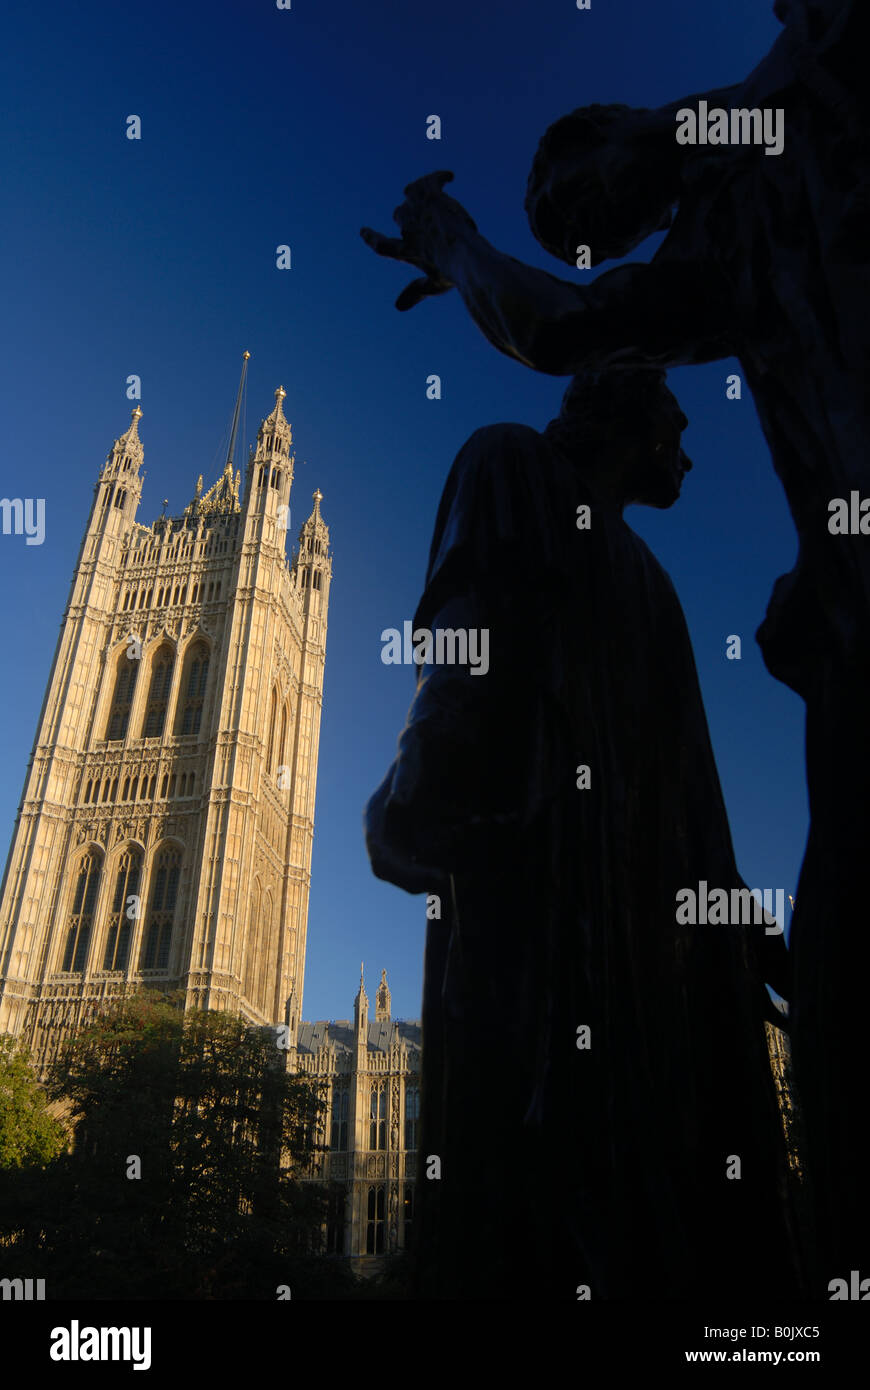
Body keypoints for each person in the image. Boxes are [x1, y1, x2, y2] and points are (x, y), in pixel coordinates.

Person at [361, 0, 870, 1288]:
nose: (697, 440)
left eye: (596, 207)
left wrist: (454, 236)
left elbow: (561, 321)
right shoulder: (582, 526)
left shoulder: (768, 137)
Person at [366, 370, 798, 1299]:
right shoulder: (512, 462)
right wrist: (424, 770)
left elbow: (697, 803)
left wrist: (756, 940)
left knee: (624, 1206)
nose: (687, 444)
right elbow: (464, 633)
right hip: (537, 894)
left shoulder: (655, 583)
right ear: (626, 417)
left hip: (635, 940)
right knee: (534, 1196)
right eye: (674, 422)